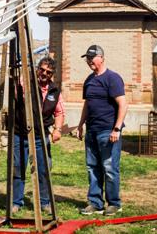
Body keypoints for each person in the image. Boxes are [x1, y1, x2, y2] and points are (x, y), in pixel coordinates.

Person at [77, 45, 128, 216]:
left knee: (109, 168)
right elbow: (87, 104)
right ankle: (95, 203)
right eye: (87, 58)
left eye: (92, 58)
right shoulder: (89, 80)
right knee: (92, 167)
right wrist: (80, 124)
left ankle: (114, 203)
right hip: (91, 131)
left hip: (108, 131)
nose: (89, 61)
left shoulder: (112, 78)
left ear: (101, 57)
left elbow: (123, 104)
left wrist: (117, 128)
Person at [13, 56, 65, 214]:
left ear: (52, 75)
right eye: (41, 70)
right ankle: (16, 202)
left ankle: (44, 202)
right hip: (20, 134)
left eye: (48, 72)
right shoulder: (27, 83)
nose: (44, 73)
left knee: (43, 169)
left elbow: (60, 112)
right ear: (37, 69)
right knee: (18, 168)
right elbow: (18, 87)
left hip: (40, 136)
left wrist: (57, 129)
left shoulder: (54, 91)